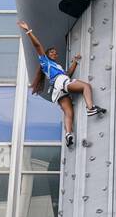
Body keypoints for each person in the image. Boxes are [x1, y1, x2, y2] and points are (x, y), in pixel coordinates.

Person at [18, 21, 104, 149]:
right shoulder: (45, 62)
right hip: (61, 83)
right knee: (86, 86)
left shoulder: (56, 66)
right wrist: (28, 31)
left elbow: (68, 73)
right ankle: (90, 108)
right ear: (46, 54)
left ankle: (68, 134)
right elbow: (37, 45)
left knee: (69, 113)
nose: (54, 53)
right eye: (51, 52)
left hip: (58, 88)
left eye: (55, 52)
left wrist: (75, 62)